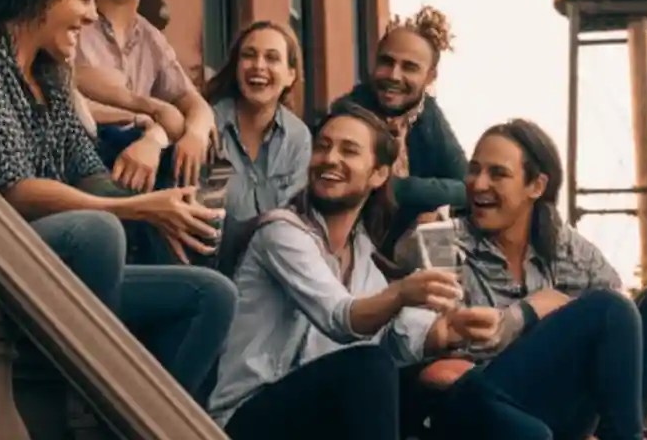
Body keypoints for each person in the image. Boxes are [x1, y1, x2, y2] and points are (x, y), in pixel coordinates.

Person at [0, 0, 235, 395]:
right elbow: (15, 190)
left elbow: (89, 173)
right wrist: (135, 208)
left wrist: (167, 209)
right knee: (98, 231)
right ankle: (98, 400)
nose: (90, 16)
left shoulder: (50, 73)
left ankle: (139, 417)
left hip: (40, 266)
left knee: (211, 294)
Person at [209, 103, 508, 440]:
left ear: (378, 174)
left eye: (348, 151)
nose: (330, 158)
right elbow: (340, 317)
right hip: (246, 421)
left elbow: (395, 337)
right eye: (323, 146)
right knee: (370, 366)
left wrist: (447, 330)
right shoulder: (281, 233)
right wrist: (400, 293)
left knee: (460, 391)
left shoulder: (363, 255)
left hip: (316, 421)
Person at [397, 119, 647, 440]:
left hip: (565, 408)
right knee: (609, 309)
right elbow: (424, 357)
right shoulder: (442, 242)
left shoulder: (572, 252)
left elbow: (627, 340)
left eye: (497, 174)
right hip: (482, 404)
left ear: (536, 186)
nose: (478, 184)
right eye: (474, 170)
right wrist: (526, 313)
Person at [76, 0, 215, 195]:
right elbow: (63, 100)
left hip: (137, 168)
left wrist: (195, 135)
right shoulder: (71, 15)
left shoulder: (153, 40)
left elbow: (194, 104)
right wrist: (150, 121)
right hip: (80, 158)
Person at [334, 5, 468, 243]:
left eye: (409, 67)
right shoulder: (348, 114)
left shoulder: (428, 115)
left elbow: (468, 187)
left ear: (430, 76)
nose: (394, 75)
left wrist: (427, 206)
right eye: (386, 62)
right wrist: (420, 194)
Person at [202, 20, 311, 274]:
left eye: (272, 58)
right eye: (249, 55)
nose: (259, 66)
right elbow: (204, 217)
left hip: (274, 269)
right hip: (213, 268)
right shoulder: (207, 126)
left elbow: (295, 223)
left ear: (291, 75)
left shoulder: (298, 137)